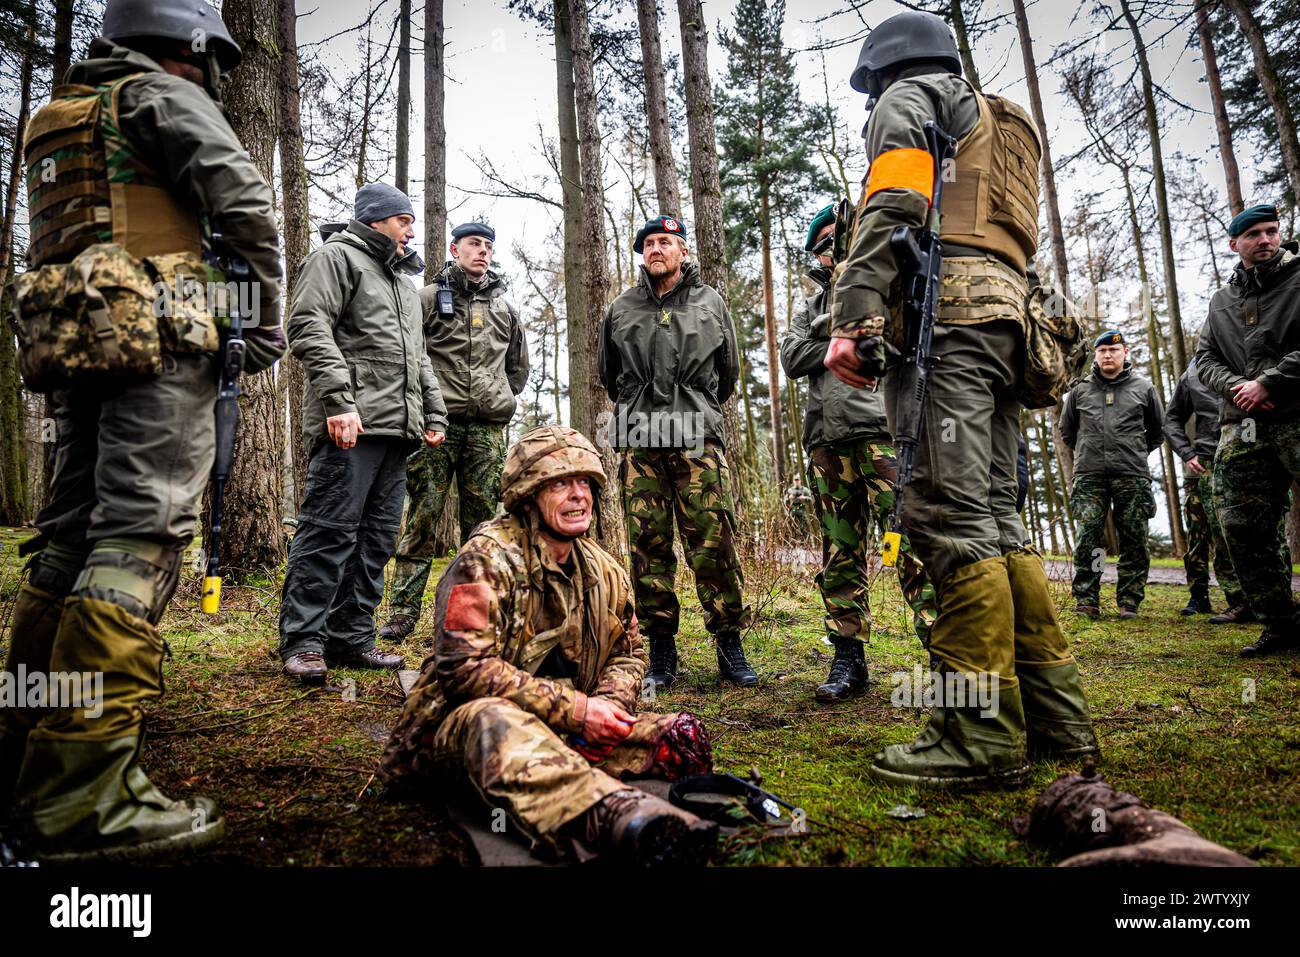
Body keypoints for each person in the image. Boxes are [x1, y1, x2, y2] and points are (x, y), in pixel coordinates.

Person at [1, 0, 285, 860]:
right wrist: (258, 319)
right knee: (138, 535)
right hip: (158, 346)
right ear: (187, 47)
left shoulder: (58, 115)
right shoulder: (158, 94)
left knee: (69, 538)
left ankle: (29, 743)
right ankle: (83, 790)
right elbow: (246, 205)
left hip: (78, 349)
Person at [822, 10, 1098, 787]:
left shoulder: (911, 98)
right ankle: (1056, 721)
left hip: (946, 326)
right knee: (1000, 523)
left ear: (886, 68)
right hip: (1007, 329)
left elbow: (895, 204)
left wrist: (854, 315)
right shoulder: (1005, 123)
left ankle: (979, 732)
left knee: (949, 520)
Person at [381, 427, 717, 865]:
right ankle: (613, 814)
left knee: (677, 738)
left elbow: (628, 651)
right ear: (527, 496)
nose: (578, 496)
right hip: (465, 732)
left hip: (563, 727)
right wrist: (577, 712)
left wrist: (607, 708)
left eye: (584, 483)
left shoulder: (604, 569)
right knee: (492, 720)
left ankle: (575, 772)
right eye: (560, 484)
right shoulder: (483, 561)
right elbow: (465, 670)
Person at [279, 183, 447, 683]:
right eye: (403, 220)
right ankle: (304, 641)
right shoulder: (335, 259)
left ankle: (351, 636)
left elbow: (418, 358)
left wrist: (433, 412)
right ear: (376, 220)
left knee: (376, 540)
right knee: (327, 533)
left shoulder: (403, 284)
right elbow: (308, 326)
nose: (410, 230)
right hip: (349, 424)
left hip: (397, 429)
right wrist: (339, 402)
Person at [780, 202, 936, 703]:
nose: (831, 247)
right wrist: (839, 330)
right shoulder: (808, 307)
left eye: (837, 236)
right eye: (822, 243)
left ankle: (943, 651)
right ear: (816, 255)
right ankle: (849, 658)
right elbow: (791, 357)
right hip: (828, 442)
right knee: (840, 552)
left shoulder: (884, 287)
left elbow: (895, 342)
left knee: (909, 541)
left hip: (884, 433)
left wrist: (836, 333)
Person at [597, 215, 756, 689]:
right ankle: (661, 649)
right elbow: (609, 374)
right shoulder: (621, 308)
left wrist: (694, 404)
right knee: (647, 545)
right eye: (649, 243)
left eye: (665, 242)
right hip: (640, 437)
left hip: (696, 436)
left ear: (684, 251)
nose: (656, 249)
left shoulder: (710, 302)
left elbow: (727, 374)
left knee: (712, 538)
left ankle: (729, 643)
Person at [380, 222, 529, 642]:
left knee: (482, 526)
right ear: (454, 249)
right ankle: (402, 614)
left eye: (488, 246)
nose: (482, 251)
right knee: (422, 518)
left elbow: (517, 367)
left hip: (486, 429)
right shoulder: (427, 298)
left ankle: (474, 612)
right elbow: (409, 354)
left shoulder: (505, 308)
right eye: (473, 244)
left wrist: (497, 396)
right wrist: (427, 407)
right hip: (436, 425)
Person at [1195, 203, 1300, 656]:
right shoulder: (1222, 300)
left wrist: (1269, 382)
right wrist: (1239, 388)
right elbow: (1205, 359)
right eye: (1254, 234)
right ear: (1234, 243)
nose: (1266, 240)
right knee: (1239, 522)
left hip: (1295, 412)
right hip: (1244, 425)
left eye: (1272, 231)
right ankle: (1281, 623)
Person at [1060, 330, 1164, 620]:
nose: (1108, 355)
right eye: (1102, 350)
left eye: (1113, 350)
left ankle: (1129, 601)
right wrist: (1089, 452)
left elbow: (1157, 431)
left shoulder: (1144, 388)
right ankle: (1087, 599)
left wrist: (1134, 452)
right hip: (1090, 475)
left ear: (1125, 353)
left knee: (1134, 538)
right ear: (1095, 355)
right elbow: (1067, 431)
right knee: (1089, 538)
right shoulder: (1080, 390)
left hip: (1132, 475)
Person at [1162, 356, 1269, 620]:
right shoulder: (1192, 373)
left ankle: (1252, 600)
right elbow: (1171, 420)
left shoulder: (1248, 360)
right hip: (1204, 464)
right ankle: (1202, 596)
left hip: (1246, 457)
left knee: (1239, 531)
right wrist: (1187, 453)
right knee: (1200, 534)